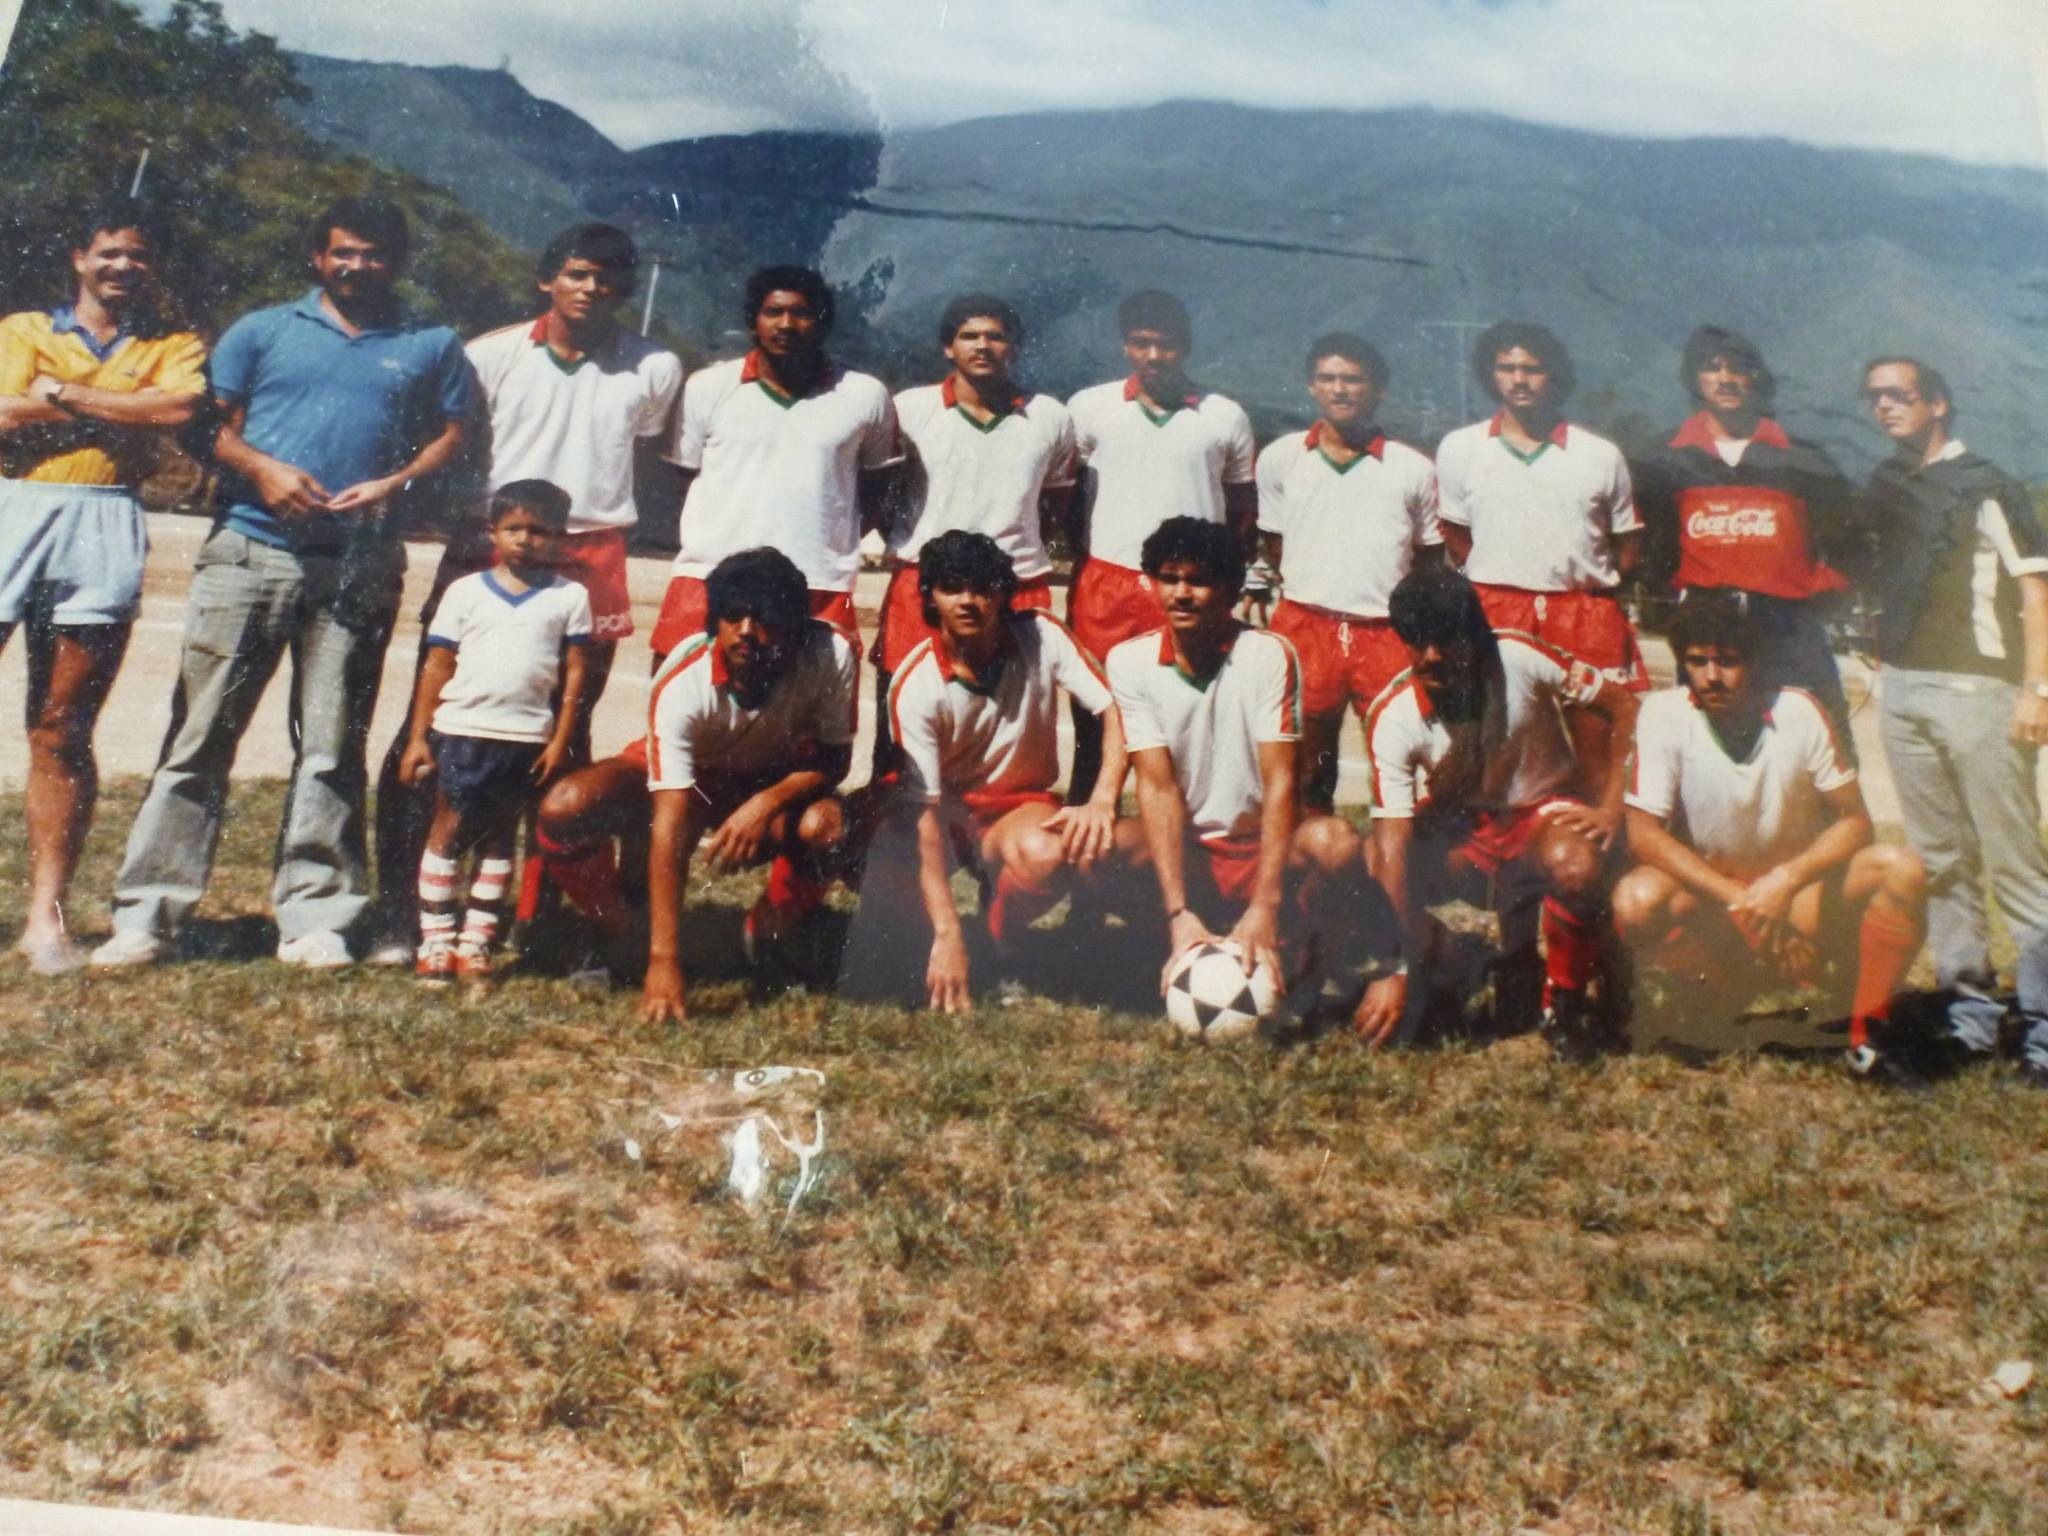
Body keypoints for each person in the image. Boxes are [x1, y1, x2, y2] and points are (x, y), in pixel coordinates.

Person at [92, 197, 476, 970]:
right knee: (198, 738)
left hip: (360, 564)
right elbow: (204, 424)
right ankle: (148, 914)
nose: (356, 267)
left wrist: (396, 484)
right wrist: (262, 470)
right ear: (317, 257)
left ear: (398, 262)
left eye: (372, 254)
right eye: (342, 252)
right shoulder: (262, 329)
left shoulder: (432, 344)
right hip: (249, 554)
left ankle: (317, 916)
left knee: (331, 745)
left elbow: (459, 434)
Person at [370, 222, 684, 959]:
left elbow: (641, 456)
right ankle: (401, 915)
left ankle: (546, 920)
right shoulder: (490, 353)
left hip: (590, 551)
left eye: (606, 277)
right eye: (576, 273)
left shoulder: (654, 366)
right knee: (436, 726)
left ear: (625, 287)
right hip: (491, 542)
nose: (591, 288)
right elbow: (457, 444)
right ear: (547, 279)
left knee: (563, 739)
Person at [0, 197, 205, 973]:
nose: (122, 266)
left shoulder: (174, 344)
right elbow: (1, 414)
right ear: (80, 259)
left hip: (106, 519)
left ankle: (45, 919)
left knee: (61, 728)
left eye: (138, 254)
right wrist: (119, 410)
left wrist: (61, 396)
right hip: (13, 507)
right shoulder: (24, 329)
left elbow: (176, 406)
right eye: (108, 252)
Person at [1108, 517, 1405, 1038]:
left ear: (1228, 589)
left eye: (1197, 580)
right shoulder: (1128, 662)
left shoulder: (1267, 653)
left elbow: (1281, 782)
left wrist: (1265, 904)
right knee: (1100, 849)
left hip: (1260, 848)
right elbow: (1156, 786)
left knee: (1336, 842)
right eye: (1168, 578)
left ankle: (1314, 962)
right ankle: (1171, 943)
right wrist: (1178, 911)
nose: (1181, 593)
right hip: (1193, 850)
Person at [1612, 591, 1927, 1079]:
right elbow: (1644, 835)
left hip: (1795, 899)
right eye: (1697, 661)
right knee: (1635, 899)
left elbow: (1855, 822)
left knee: (1901, 869)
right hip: (1715, 902)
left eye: (1727, 661)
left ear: (1754, 662)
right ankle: (1721, 994)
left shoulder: (1799, 710)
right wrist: (1742, 899)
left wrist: (1785, 881)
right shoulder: (1663, 713)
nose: (1711, 676)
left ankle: (1867, 1035)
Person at [534, 548, 858, 1023]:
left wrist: (764, 805)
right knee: (566, 805)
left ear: (792, 623)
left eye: (763, 617)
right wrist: (663, 961)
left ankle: (767, 931)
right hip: (694, 776)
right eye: (732, 615)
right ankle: (622, 928)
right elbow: (671, 821)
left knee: (827, 825)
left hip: (768, 777)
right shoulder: (685, 678)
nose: (745, 630)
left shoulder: (831, 653)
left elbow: (835, 758)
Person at [1859, 356, 2048, 1086]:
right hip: (1904, 690)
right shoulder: (1887, 482)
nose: (1884, 407)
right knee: (1942, 864)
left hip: (1980, 690)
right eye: (1874, 397)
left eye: (1898, 395)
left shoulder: (1986, 483)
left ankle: (2043, 1034)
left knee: (2016, 867)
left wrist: (2037, 690)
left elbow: (2036, 590)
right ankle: (1971, 1022)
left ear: (1937, 403)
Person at [1366, 564, 1639, 1059]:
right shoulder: (1393, 715)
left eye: (1446, 640)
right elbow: (1391, 841)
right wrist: (1392, 965)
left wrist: (1611, 807)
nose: (1432, 656)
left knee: (1576, 863)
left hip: (1541, 817)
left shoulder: (1517, 656)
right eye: (1418, 642)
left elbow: (1624, 706)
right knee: (1377, 860)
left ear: (1472, 633)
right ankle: (1447, 962)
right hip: (1467, 833)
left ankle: (1565, 1002)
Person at [882, 531, 1131, 1010]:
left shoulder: (1042, 633)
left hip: (1015, 807)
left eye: (983, 588)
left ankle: (995, 937)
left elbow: (1113, 708)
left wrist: (1102, 799)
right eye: (952, 588)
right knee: (884, 893)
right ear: (930, 596)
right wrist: (947, 933)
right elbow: (924, 818)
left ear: (1003, 594)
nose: (968, 601)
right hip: (942, 813)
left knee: (1051, 851)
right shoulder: (916, 683)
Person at [648, 266, 898, 660]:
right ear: (753, 322)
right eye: (773, 312)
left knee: (807, 700)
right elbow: (683, 477)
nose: (786, 324)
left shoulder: (865, 395)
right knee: (681, 695)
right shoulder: (707, 387)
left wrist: (827, 535)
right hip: (708, 575)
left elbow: (879, 488)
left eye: (801, 313)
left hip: (819, 580)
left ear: (822, 323)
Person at [396, 480, 591, 986]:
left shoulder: (571, 597)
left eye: (539, 530)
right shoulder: (464, 591)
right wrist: (418, 737)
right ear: (492, 532)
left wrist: (559, 740)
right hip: (463, 731)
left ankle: (476, 943)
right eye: (513, 528)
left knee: (500, 838)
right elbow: (437, 665)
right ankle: (436, 941)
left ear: (560, 537)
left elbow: (574, 674)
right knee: (449, 831)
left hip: (526, 738)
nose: (525, 539)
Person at [1434, 322, 1646, 784]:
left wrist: (1584, 589)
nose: (1519, 379)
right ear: (1490, 374)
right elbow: (1456, 533)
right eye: (1506, 368)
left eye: (1532, 369)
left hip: (1583, 613)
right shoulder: (1460, 448)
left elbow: (1627, 544)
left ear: (1555, 375)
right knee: (1498, 753)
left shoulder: (1600, 454)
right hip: (1498, 609)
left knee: (1600, 753)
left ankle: (1606, 829)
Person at [872, 294, 1076, 775]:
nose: (982, 345)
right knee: (902, 712)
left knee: (1010, 719)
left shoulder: (1050, 416)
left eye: (995, 336)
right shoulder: (910, 409)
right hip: (923, 581)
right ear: (949, 347)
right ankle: (892, 812)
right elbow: (882, 495)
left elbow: (1055, 504)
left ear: (1014, 347)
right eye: (969, 336)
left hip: (1017, 583)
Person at [1065, 291, 1256, 800]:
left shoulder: (1224, 415)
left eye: (1166, 345)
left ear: (1186, 346)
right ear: (1125, 345)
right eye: (1141, 343)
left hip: (1187, 586)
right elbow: (1070, 497)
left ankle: (1191, 835)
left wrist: (1222, 578)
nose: (1153, 356)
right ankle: (1089, 831)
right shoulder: (1089, 407)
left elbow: (1242, 510)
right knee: (1096, 716)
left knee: (1186, 717)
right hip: (1108, 581)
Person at [1632, 325, 1858, 726]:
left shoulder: (1802, 457)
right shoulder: (1665, 457)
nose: (1725, 378)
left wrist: (1813, 597)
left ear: (1756, 377)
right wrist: (1682, 599)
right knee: (1709, 737)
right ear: (1694, 379)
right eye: (1711, 367)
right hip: (1707, 623)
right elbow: (1652, 546)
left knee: (1817, 731)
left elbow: (1850, 543)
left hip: (1789, 626)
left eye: (1737, 367)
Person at [1256, 332, 1441, 811]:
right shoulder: (1281, 458)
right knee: (1306, 767)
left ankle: (1397, 855)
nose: (1339, 389)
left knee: (1398, 760)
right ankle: (1312, 854)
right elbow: (1276, 542)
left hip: (1386, 632)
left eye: (1353, 380)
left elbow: (1428, 559)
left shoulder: (1413, 469)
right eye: (1328, 378)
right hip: (1305, 625)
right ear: (1311, 386)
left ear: (1378, 389)